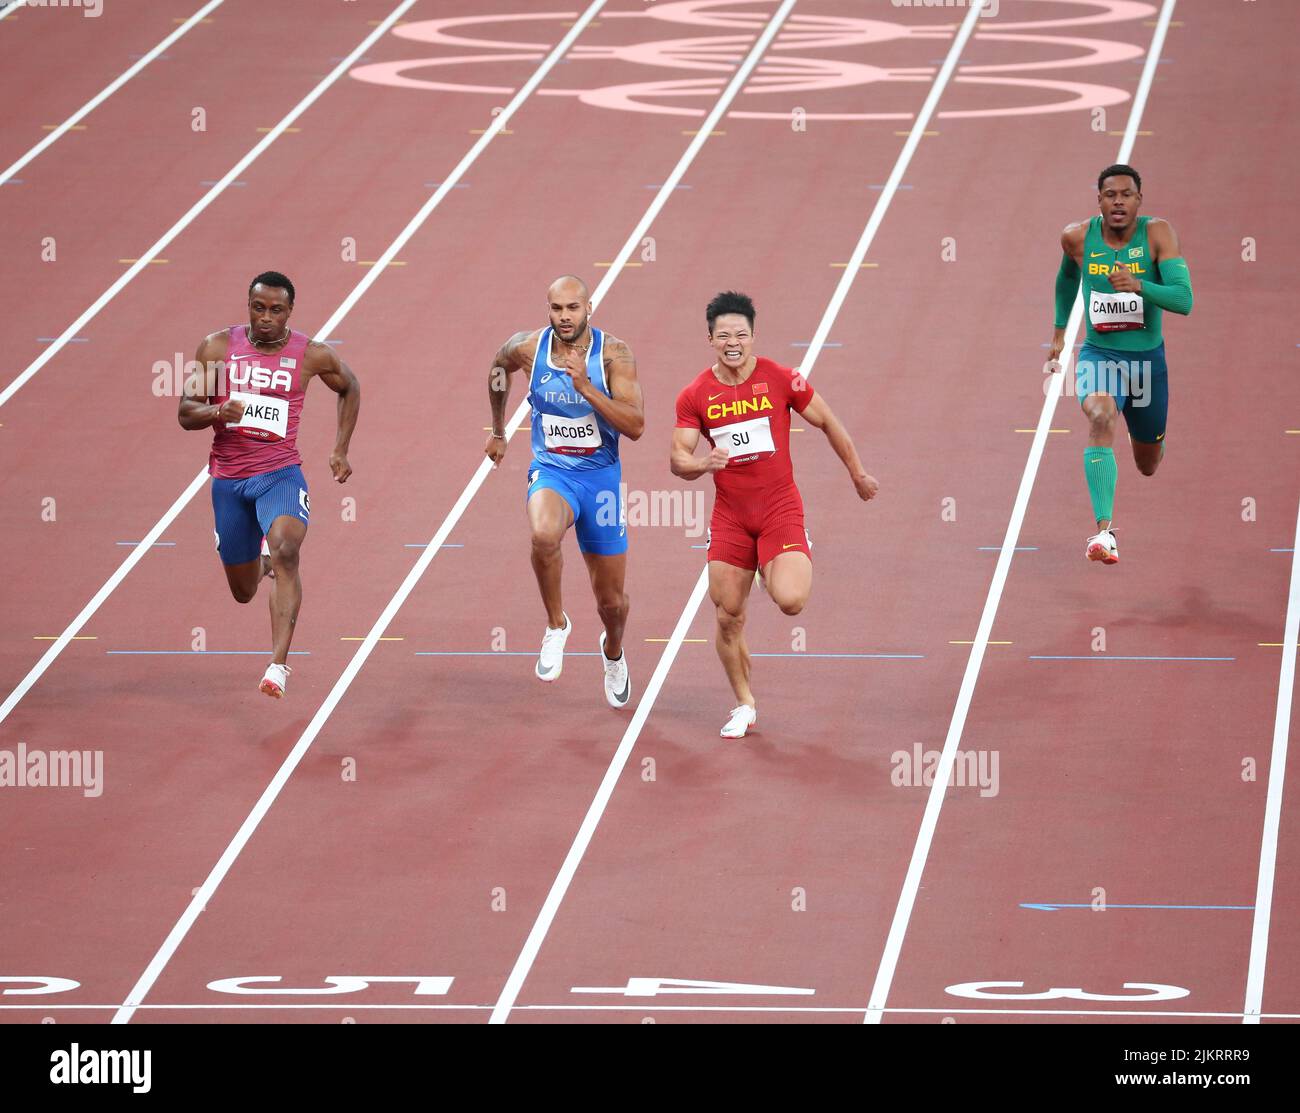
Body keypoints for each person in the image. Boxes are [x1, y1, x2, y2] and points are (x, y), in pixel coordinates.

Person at [671, 291, 878, 738]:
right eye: (723, 335)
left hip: (780, 507)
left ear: (752, 337)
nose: (733, 342)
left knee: (791, 601)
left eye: (740, 334)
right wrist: (702, 464)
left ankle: (777, 560)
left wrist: (857, 473)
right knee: (728, 614)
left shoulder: (781, 378)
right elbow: (678, 458)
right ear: (710, 339)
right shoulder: (695, 395)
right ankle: (744, 702)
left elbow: (827, 421)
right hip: (730, 516)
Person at [178, 271, 359, 697]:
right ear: (249, 307)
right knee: (242, 592)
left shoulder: (311, 354)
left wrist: (340, 449)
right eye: (258, 308)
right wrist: (216, 413)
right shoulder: (218, 348)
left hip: (279, 474)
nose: (265, 318)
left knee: (287, 549)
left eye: (275, 310)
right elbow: (186, 412)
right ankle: (257, 560)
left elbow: (349, 387)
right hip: (228, 480)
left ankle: (277, 666)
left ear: (289, 312)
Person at [485, 275, 644, 708]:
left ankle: (612, 651)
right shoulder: (529, 347)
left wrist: (587, 389)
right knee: (542, 535)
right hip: (553, 472)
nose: (564, 317)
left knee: (613, 603)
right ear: (548, 309)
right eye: (557, 309)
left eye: (573, 308)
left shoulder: (614, 354)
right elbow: (499, 366)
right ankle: (557, 625)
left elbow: (636, 426)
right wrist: (498, 430)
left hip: (601, 484)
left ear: (589, 307)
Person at [1049, 163, 1193, 564]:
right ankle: (1103, 534)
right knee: (1099, 416)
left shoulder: (1157, 234)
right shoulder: (1077, 237)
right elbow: (1065, 279)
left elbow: (1184, 301)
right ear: (1099, 200)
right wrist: (1060, 331)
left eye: (1126, 194)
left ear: (1138, 200)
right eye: (1110, 194)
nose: (1118, 202)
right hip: (1100, 354)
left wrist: (1140, 285)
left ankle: (1141, 435)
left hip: (1148, 364)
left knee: (1147, 465)